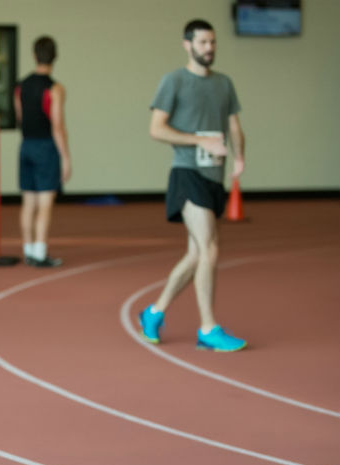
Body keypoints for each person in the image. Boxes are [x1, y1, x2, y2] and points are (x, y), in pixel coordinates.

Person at [138, 19, 247, 352]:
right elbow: (157, 129)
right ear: (187, 45)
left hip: (214, 178)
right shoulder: (174, 81)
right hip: (186, 174)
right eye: (202, 43)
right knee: (210, 248)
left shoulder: (224, 84)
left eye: (212, 43)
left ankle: (153, 312)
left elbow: (233, 124)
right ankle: (208, 329)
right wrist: (198, 140)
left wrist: (239, 156)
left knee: (197, 253)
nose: (209, 48)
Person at [14, 36, 71, 268]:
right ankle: (40, 252)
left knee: (28, 202)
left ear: (34, 55)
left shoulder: (20, 86)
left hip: (26, 145)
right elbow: (57, 126)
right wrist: (66, 158)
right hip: (46, 146)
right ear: (54, 56)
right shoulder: (55, 89)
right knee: (45, 204)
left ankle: (29, 250)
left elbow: (20, 118)